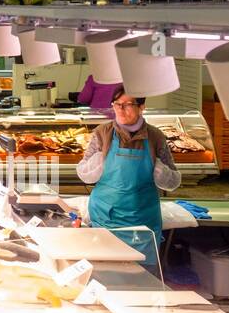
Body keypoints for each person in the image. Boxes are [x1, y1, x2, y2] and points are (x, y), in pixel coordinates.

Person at [77, 87, 180, 261]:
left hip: (143, 218)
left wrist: (162, 172)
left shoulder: (155, 137)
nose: (120, 109)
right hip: (105, 216)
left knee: (142, 275)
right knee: (105, 270)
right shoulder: (102, 133)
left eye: (128, 104)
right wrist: (94, 165)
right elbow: (83, 172)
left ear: (142, 107)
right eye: (117, 104)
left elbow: (174, 181)